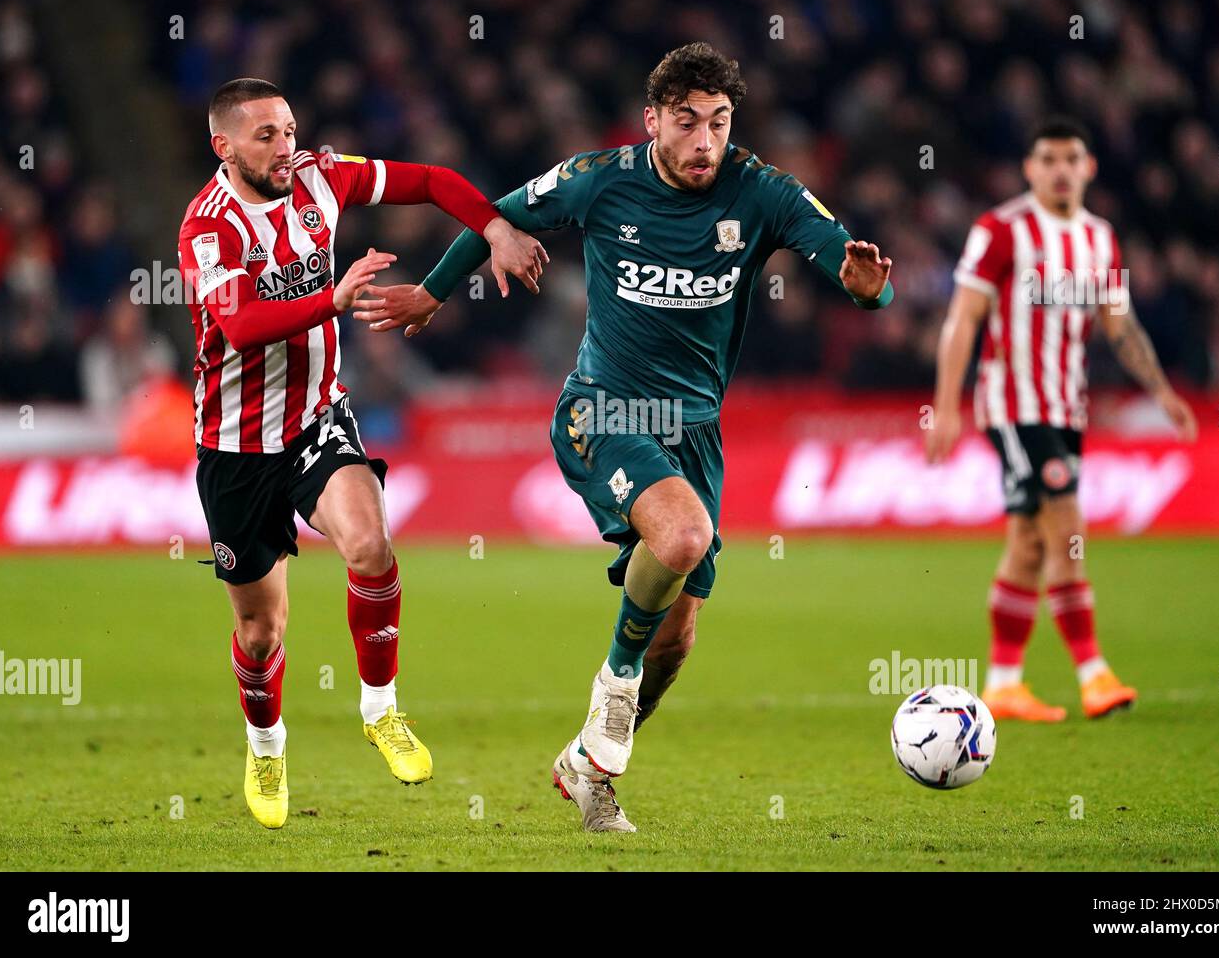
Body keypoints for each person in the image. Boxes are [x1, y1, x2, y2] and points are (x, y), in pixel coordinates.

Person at [353, 43, 893, 831]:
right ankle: (612, 695)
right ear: (653, 122)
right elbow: (494, 213)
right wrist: (434, 293)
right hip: (603, 411)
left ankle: (587, 763)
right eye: (687, 123)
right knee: (681, 537)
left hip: (695, 434)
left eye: (719, 123)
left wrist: (866, 291)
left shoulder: (763, 191)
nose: (704, 141)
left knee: (678, 636)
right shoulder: (600, 179)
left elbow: (842, 257)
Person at [177, 78, 547, 828]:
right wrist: (333, 301)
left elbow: (433, 181)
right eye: (266, 137)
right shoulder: (207, 228)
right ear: (225, 147)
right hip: (236, 447)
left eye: (288, 129)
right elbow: (242, 325)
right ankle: (267, 745)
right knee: (261, 630)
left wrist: (496, 229)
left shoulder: (320, 173)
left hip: (318, 419)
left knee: (372, 546)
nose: (285, 148)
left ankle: (381, 708)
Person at [925, 116, 1197, 723]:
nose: (1059, 169)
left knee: (1027, 543)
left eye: (1070, 158)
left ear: (1089, 167)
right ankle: (1093, 672)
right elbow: (963, 319)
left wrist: (1162, 391)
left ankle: (1002, 683)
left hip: (1065, 407)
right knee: (1068, 525)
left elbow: (1119, 325)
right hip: (1013, 406)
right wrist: (945, 407)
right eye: (1047, 159)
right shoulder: (1000, 229)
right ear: (1029, 169)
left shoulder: (1101, 238)